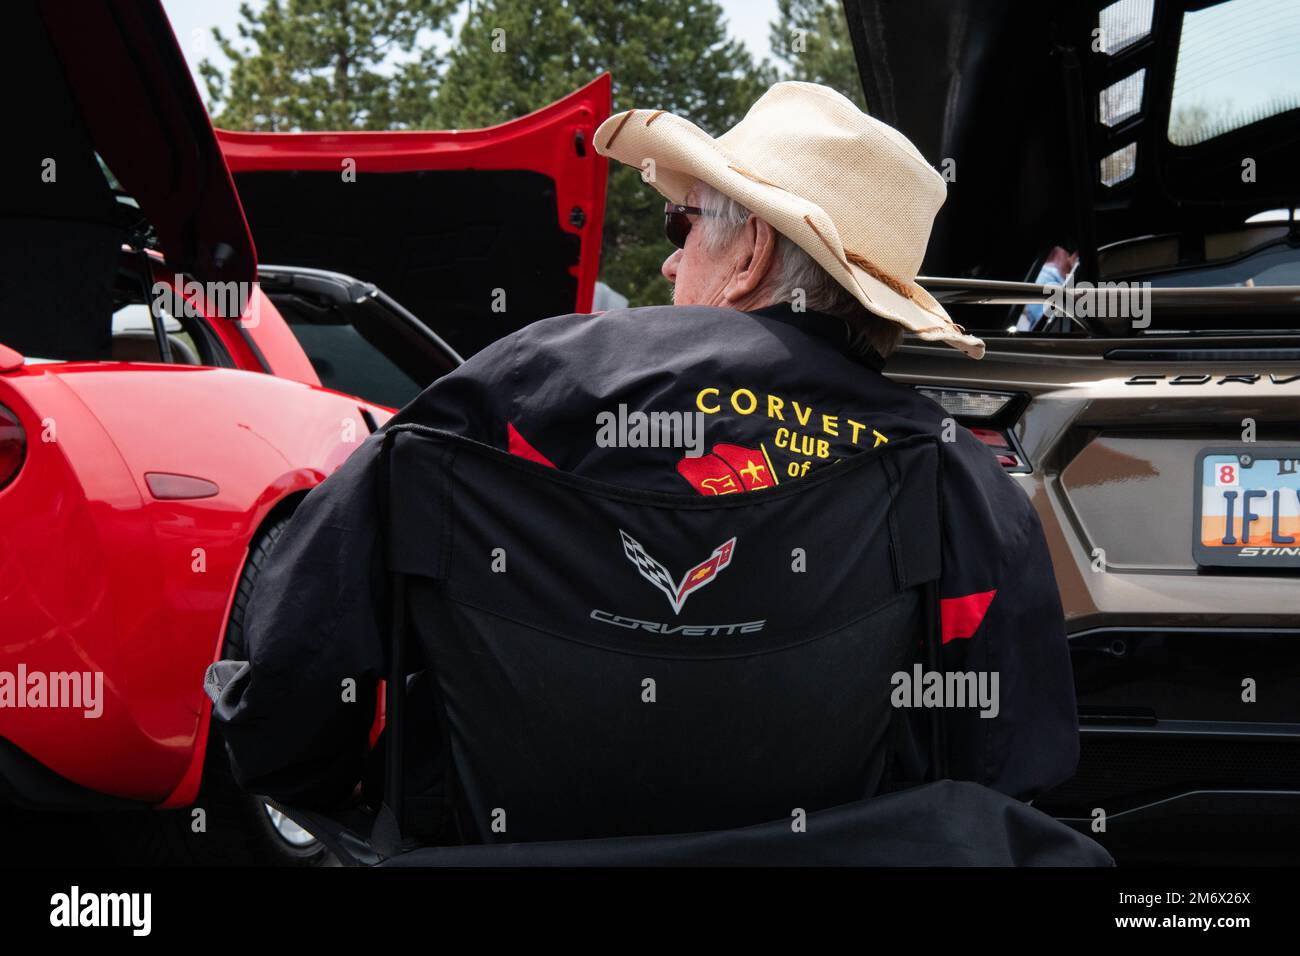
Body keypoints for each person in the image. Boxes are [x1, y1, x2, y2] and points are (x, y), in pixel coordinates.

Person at [206, 81, 1079, 814]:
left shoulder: (523, 390)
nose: (666, 263)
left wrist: (346, 796)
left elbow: (295, 658)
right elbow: (1011, 764)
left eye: (681, 226)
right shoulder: (951, 474)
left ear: (751, 255)